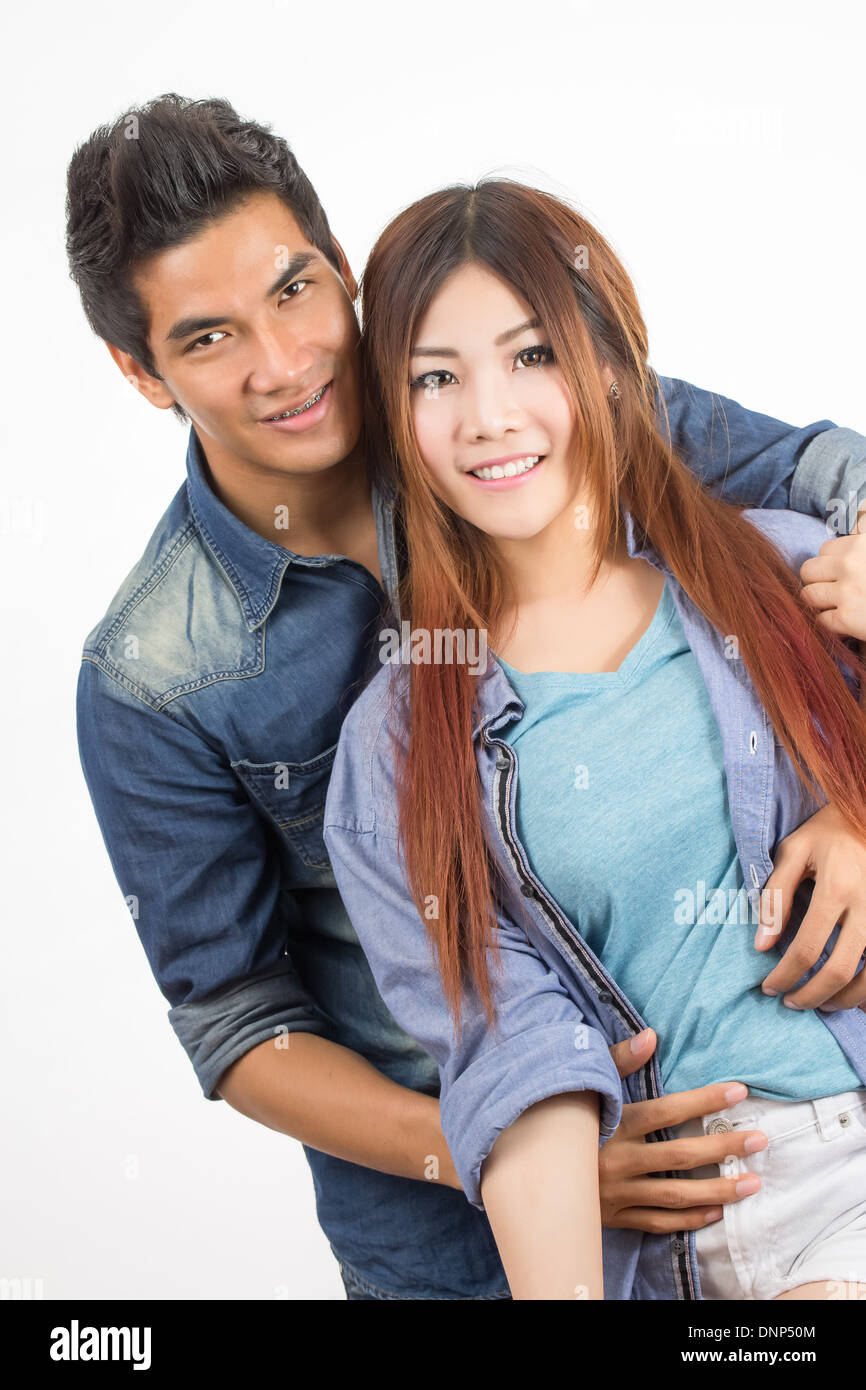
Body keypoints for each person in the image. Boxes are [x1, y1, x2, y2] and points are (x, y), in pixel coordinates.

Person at [67, 94, 866, 1301]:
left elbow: (829, 489)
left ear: (341, 271)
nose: (282, 365)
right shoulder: (153, 673)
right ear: (140, 373)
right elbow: (237, 1025)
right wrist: (497, 1154)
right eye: (207, 337)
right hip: (453, 1236)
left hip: (776, 1143)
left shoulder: (503, 415)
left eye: (292, 292)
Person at [322, 177, 866, 1300]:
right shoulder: (396, 748)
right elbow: (512, 1059)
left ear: (611, 366)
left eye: (531, 357)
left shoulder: (782, 566)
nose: (488, 415)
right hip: (707, 1246)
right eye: (435, 376)